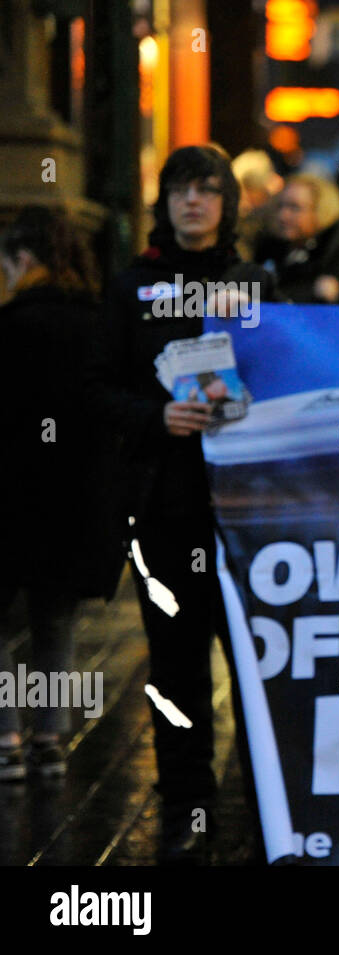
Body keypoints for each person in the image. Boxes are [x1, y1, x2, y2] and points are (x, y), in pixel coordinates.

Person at [87, 143, 276, 864]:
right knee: (175, 664)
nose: (193, 201)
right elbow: (95, 388)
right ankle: (186, 806)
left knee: (260, 659)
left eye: (207, 189)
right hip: (165, 505)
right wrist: (153, 418)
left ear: (228, 201)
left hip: (248, 512)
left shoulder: (254, 281)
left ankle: (269, 803)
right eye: (179, 189)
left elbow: (293, 373)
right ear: (162, 201)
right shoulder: (134, 284)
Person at [0, 208, 121, 781]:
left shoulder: (11, 326)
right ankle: (48, 737)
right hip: (77, 499)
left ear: (22, 260)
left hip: (12, 498)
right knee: (56, 620)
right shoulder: (98, 325)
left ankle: (5, 738)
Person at [256, 172, 339, 305]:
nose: (283, 216)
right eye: (280, 206)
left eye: (294, 208)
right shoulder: (270, 247)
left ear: (321, 210)